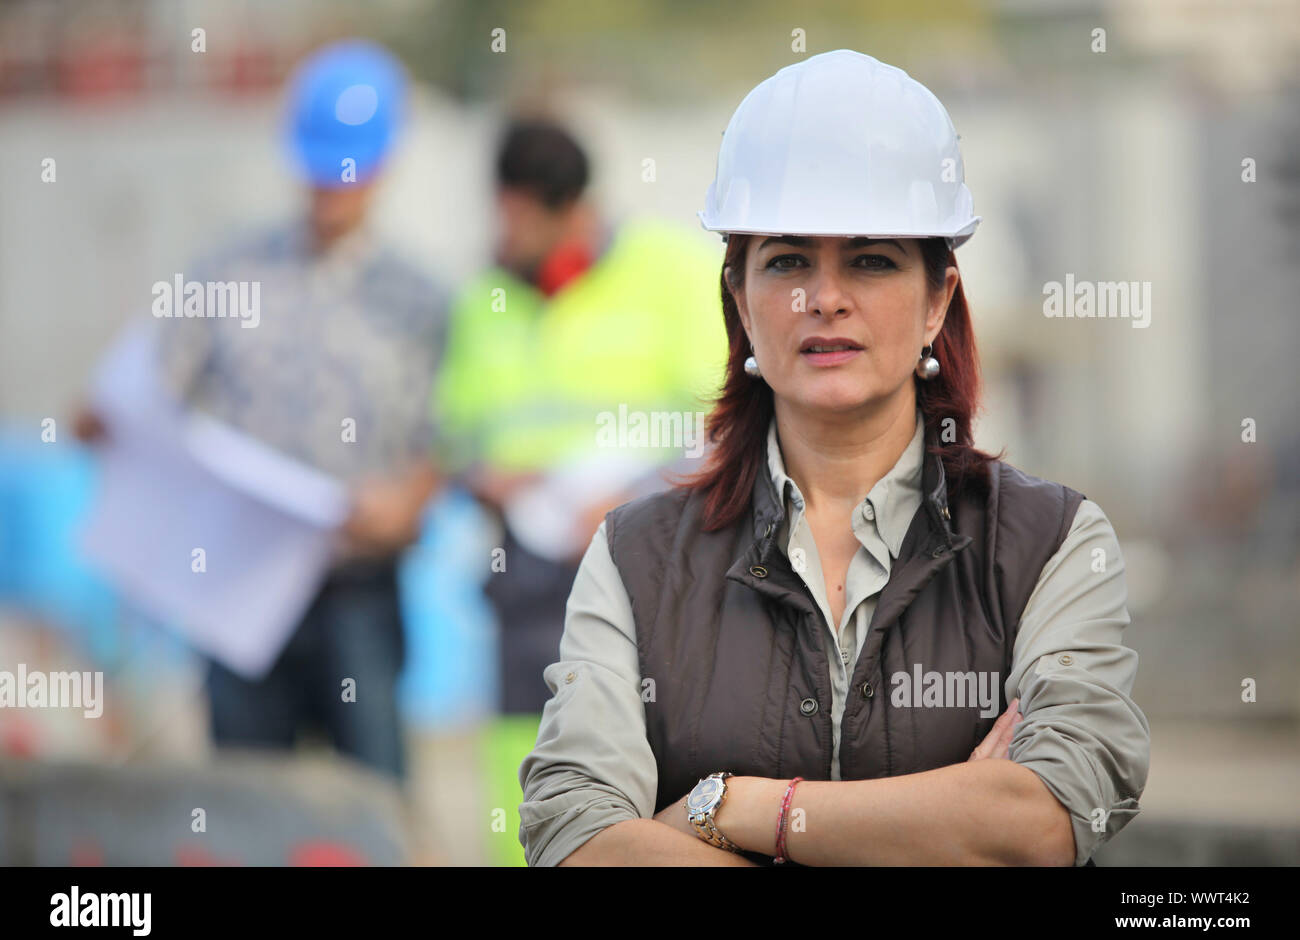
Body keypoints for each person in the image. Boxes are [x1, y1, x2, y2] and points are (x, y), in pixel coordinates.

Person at [519, 50, 1150, 866]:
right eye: (786, 261)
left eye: (871, 258)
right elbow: (575, 839)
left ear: (937, 301)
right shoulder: (634, 557)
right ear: (739, 302)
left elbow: (1047, 819)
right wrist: (945, 822)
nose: (825, 297)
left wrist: (734, 808)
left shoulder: (1050, 545)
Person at [76, 40, 449, 782]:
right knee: (244, 804)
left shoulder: (422, 299)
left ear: (383, 165)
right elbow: (147, 391)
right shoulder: (227, 271)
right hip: (237, 590)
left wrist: (407, 500)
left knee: (372, 806)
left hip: (356, 595)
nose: (331, 184)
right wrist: (101, 418)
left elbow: (446, 443)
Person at [435, 119, 728, 716]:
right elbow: (452, 437)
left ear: (570, 210)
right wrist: (478, 476)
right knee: (527, 748)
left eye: (519, 219)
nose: (504, 235)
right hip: (526, 573)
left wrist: (637, 497)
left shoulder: (670, 270)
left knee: (644, 744)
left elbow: (725, 423)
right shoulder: (482, 299)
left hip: (653, 557)